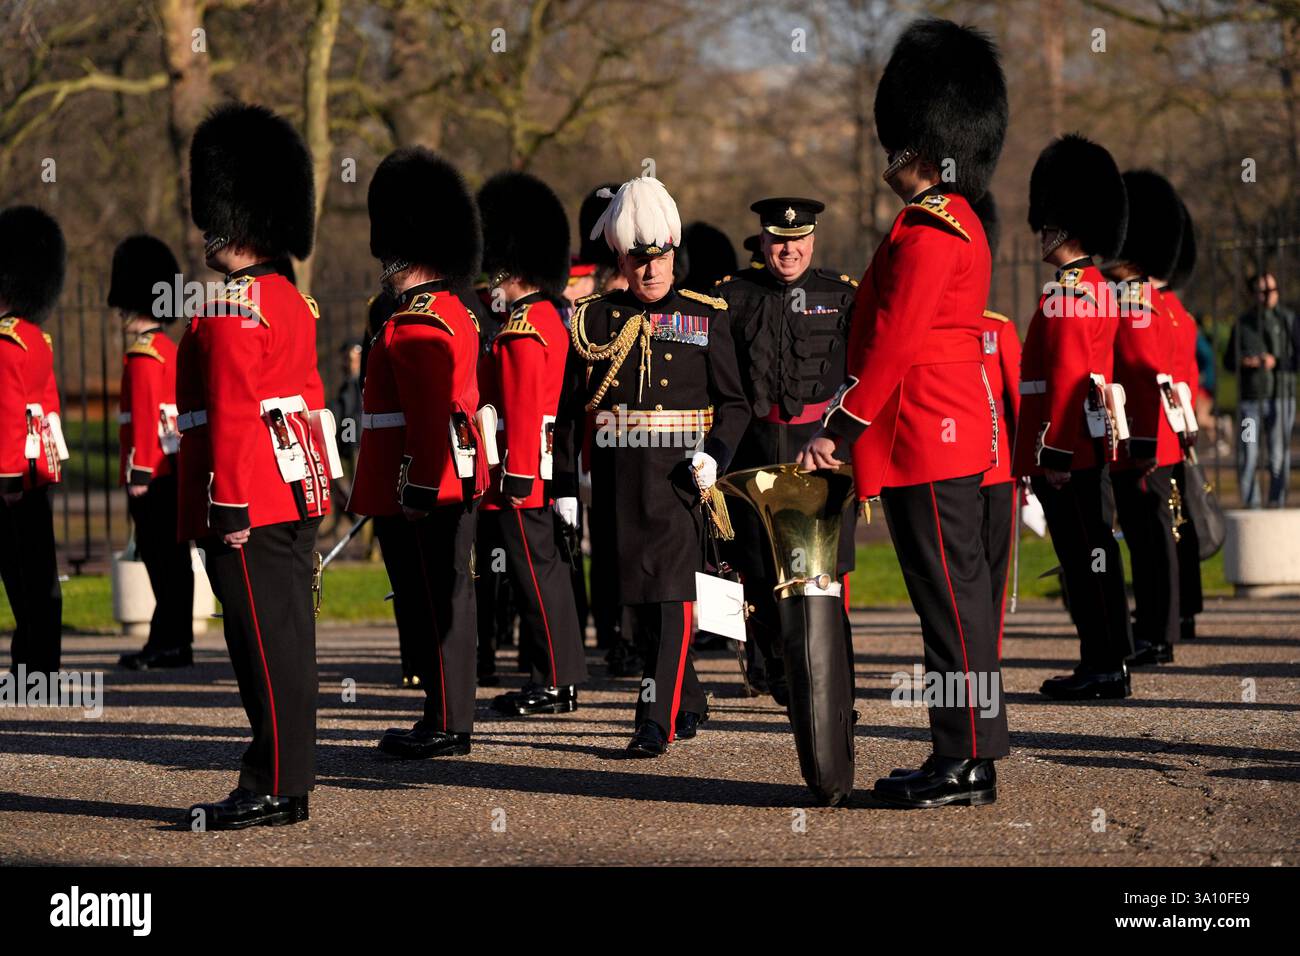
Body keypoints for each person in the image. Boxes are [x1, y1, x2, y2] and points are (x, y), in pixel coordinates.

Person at [797, 17, 1010, 808]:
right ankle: (967, 752)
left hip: (928, 427)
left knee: (949, 604)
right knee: (957, 599)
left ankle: (965, 761)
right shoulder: (956, 223)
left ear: (921, 144)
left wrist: (840, 428)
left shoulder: (927, 229)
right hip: (946, 424)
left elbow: (892, 343)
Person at [179, 103, 337, 829]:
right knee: (288, 645)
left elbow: (238, 414)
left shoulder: (232, 305)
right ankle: (288, 780)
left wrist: (231, 509)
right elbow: (304, 404)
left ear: (233, 217)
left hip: (251, 506)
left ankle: (272, 783)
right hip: (292, 493)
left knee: (263, 651)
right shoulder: (290, 301)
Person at [570, 175, 750, 756]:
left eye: (662, 256)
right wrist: (564, 484)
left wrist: (713, 455)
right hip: (621, 484)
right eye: (639, 259)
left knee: (673, 600)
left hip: (681, 484)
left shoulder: (707, 316)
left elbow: (735, 404)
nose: (652, 270)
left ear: (675, 251)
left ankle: (655, 718)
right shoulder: (593, 320)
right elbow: (572, 411)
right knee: (643, 609)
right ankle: (689, 697)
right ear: (621, 258)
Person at [349, 147, 487, 759]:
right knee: (442, 598)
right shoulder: (449, 310)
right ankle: (446, 713)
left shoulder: (419, 320)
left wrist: (417, 490)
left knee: (432, 602)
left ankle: (447, 720)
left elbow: (429, 420)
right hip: (433, 482)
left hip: (421, 487)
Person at [713, 197, 858, 702]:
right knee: (758, 573)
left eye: (797, 239)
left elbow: (862, 376)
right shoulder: (731, 295)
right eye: (778, 239)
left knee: (823, 581)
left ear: (812, 240)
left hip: (818, 450)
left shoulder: (842, 296)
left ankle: (834, 689)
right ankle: (774, 670)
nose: (788, 249)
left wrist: (842, 441)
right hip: (753, 449)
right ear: (765, 241)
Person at [1014, 134, 1134, 699]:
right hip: (1086, 447)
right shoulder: (1098, 289)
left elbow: (1061, 383)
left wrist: (1053, 457)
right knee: (1097, 554)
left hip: (1065, 451)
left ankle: (1102, 663)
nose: (1040, 233)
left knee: (1084, 561)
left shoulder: (1067, 293)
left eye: (1047, 224)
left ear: (1065, 227)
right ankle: (1111, 658)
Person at [475, 170, 589, 716]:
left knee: (534, 578)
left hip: (520, 473)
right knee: (547, 573)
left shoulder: (523, 327)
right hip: (540, 469)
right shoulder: (548, 318)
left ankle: (551, 682)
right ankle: (559, 679)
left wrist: (516, 476)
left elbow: (522, 412)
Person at [1104, 170, 1186, 668]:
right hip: (1141, 442)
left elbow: (1148, 376)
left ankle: (1158, 632)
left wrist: (1145, 445)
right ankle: (1153, 626)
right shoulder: (1135, 298)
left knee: (1152, 540)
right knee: (1145, 538)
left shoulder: (1135, 300)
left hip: (1143, 445)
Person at [110, 234, 196, 670]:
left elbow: (144, 418)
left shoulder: (143, 356)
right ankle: (173, 643)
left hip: (152, 475)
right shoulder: (169, 349)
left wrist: (139, 472)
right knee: (172, 564)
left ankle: (167, 644)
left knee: (162, 564)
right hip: (172, 470)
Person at [0, 206, 68, 675]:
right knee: (40, 572)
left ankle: (30, 668)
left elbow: (6, 417)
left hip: (11, 478)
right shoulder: (35, 339)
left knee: (20, 575)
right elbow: (47, 409)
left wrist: (6, 479)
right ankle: (42, 663)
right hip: (38, 472)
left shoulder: (6, 342)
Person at [969, 193, 1021, 657]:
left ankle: (991, 651)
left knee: (995, 566)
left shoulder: (998, 328)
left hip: (999, 470)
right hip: (953, 470)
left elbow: (1019, 405)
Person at [1159, 199, 1205, 642]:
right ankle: (1184, 610)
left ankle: (1172, 615)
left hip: (1161, 426)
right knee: (1178, 521)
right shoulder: (1179, 312)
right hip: (1179, 422)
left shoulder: (1156, 308)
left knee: (1166, 526)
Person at [1227, 271, 1296, 508]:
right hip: (1251, 402)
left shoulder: (1288, 320)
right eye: (1261, 291)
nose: (1267, 296)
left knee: (1278, 456)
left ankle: (1277, 505)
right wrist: (1245, 362)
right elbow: (1228, 360)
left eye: (1271, 290)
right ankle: (1252, 506)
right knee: (1249, 455)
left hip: (1280, 399)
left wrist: (1275, 362)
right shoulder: (1243, 324)